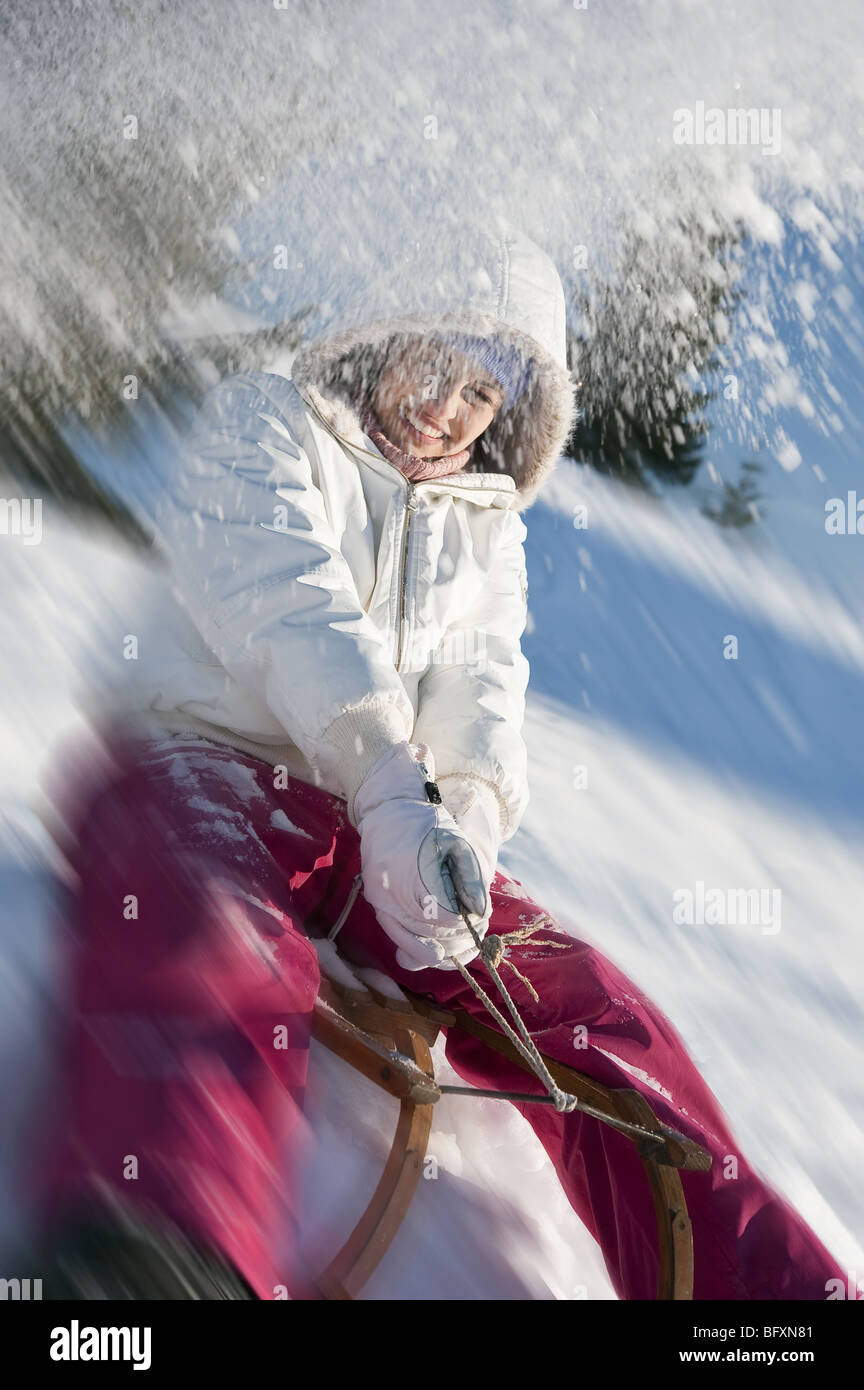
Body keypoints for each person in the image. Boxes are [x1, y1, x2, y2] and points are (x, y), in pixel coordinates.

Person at [26, 225, 843, 1300]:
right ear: (388, 325)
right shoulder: (269, 423)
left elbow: (481, 697)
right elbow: (291, 610)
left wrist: (458, 831)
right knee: (207, 931)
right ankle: (158, 1255)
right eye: (441, 361)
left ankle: (766, 1297)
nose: (450, 407)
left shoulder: (484, 525)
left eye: (486, 393)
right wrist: (385, 779)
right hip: (201, 766)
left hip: (383, 820)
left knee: (587, 1004)